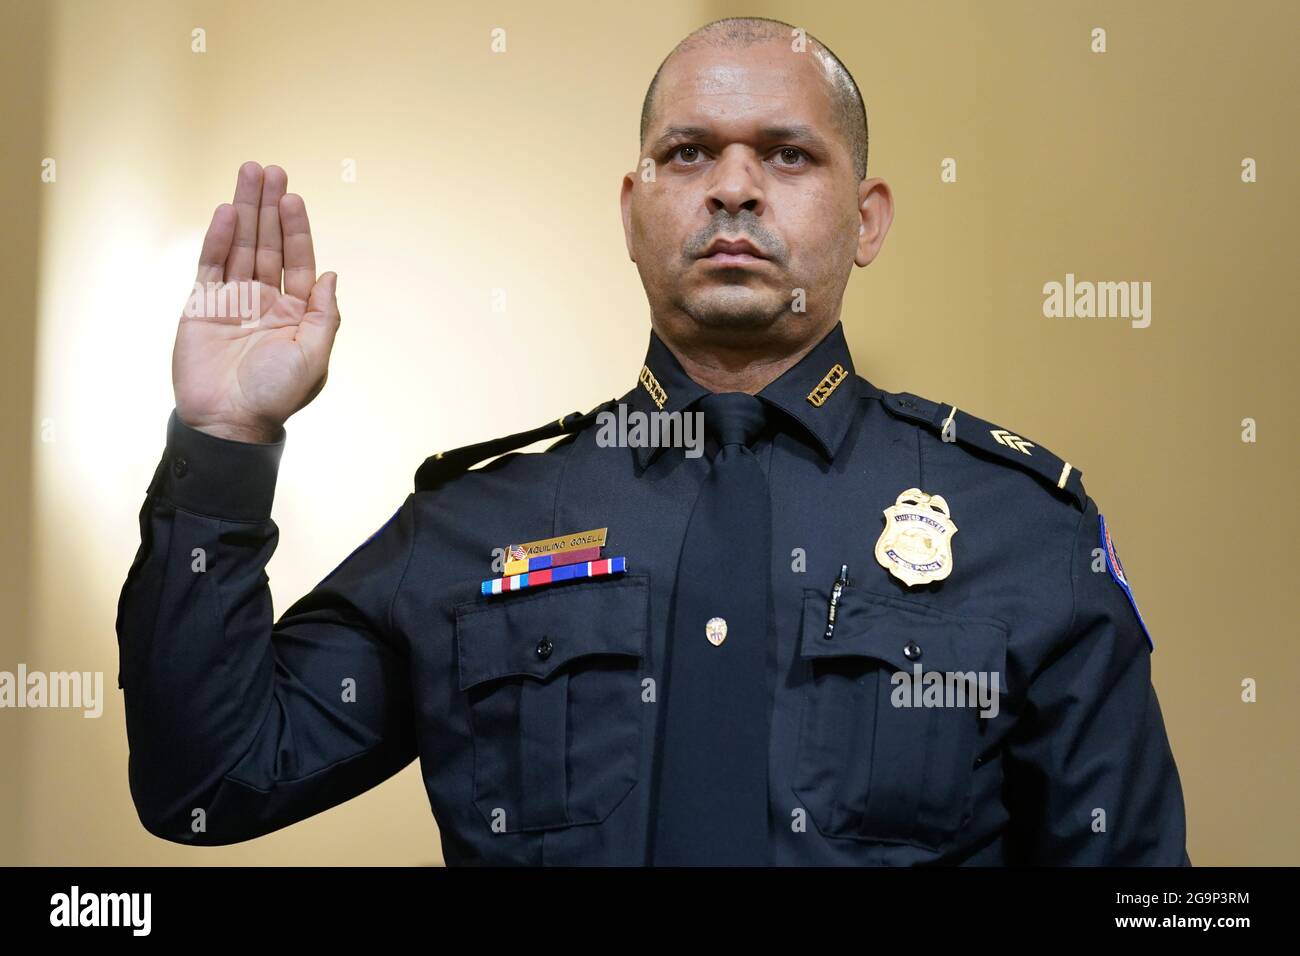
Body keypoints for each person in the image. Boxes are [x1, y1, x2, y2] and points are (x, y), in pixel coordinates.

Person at [116, 16, 1189, 865]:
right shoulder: (473, 528)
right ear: (632, 212)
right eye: (688, 153)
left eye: (785, 152)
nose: (732, 185)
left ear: (866, 219)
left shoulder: (1025, 529)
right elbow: (208, 785)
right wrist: (223, 438)